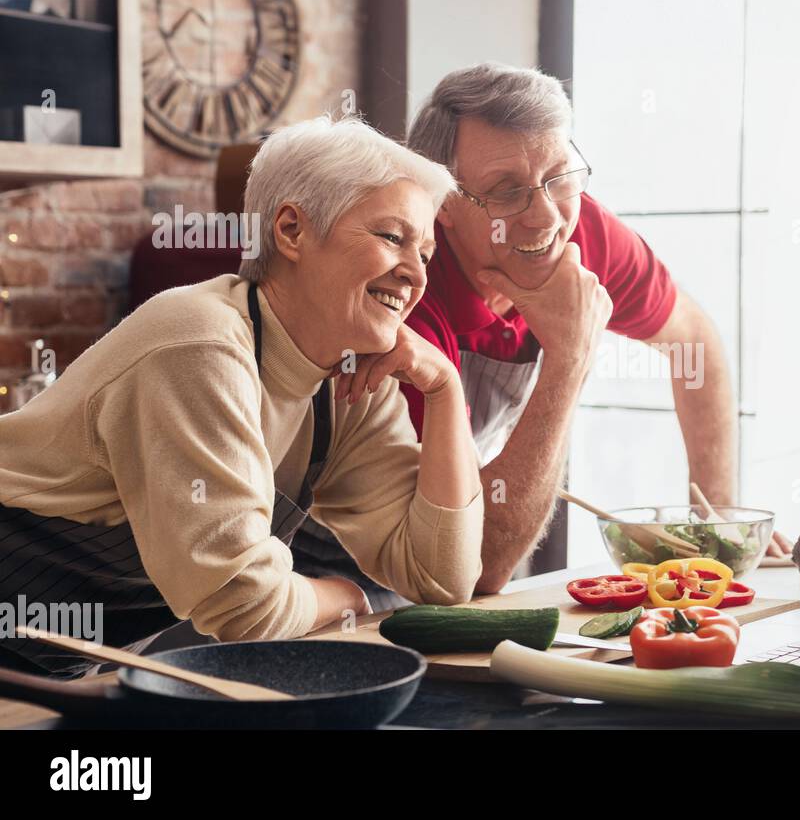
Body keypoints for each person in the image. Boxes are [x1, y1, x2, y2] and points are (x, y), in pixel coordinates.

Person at [0, 116, 482, 678]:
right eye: (391, 237)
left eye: (424, 253)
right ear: (291, 231)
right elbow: (248, 607)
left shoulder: (350, 385)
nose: (415, 275)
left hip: (48, 665)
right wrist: (344, 595)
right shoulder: (198, 341)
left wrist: (445, 388)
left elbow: (442, 578)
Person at [396, 63, 793, 593]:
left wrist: (717, 523)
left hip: (452, 547)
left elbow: (693, 345)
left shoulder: (586, 232)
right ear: (443, 203)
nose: (546, 218)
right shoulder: (407, 289)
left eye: (559, 177)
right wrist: (569, 356)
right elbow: (482, 563)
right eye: (506, 191)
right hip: (328, 548)